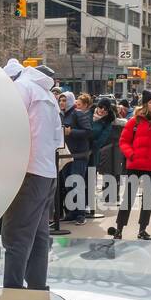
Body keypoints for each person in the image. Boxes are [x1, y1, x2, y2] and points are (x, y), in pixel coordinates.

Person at [3, 65, 63, 290]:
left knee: (16, 236)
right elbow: (58, 139)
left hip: (27, 172)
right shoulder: (47, 94)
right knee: (39, 236)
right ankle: (37, 287)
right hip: (47, 173)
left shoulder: (21, 88)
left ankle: (12, 292)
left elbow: (11, 129)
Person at [108, 90, 151, 241]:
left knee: (147, 200)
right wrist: (131, 154)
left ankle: (142, 230)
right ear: (145, 104)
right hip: (135, 165)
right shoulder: (134, 121)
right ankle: (119, 229)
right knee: (128, 199)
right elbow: (124, 141)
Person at [58, 90, 92, 224]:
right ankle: (71, 212)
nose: (62, 102)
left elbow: (88, 131)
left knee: (76, 183)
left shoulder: (78, 114)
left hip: (78, 155)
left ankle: (81, 214)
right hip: (65, 155)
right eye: (60, 100)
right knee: (68, 185)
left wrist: (71, 131)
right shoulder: (60, 115)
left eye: (64, 100)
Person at [90, 97, 121, 205]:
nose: (102, 110)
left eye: (105, 109)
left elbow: (101, 138)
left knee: (104, 174)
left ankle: (97, 200)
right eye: (100, 107)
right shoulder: (88, 114)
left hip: (98, 151)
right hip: (90, 150)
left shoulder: (108, 121)